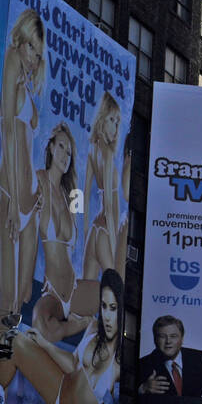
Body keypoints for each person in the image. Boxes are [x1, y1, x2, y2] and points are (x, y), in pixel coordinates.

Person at [5, 269, 123, 404]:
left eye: (113, 308)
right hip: (60, 390)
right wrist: (44, 344)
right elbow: (73, 364)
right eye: (104, 306)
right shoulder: (94, 328)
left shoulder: (119, 363)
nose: (107, 316)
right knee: (14, 340)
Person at [0, 9, 44, 332]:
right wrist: (14, 200)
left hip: (30, 200)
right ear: (20, 40)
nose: (32, 59)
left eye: (38, 55)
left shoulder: (26, 84)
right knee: (6, 299)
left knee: (22, 298)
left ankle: (0, 371)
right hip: (10, 191)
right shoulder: (10, 58)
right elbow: (11, 134)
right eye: (30, 49)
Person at [31, 123, 94, 342]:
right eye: (61, 147)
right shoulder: (38, 179)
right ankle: (78, 324)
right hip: (53, 294)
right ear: (50, 147)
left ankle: (82, 322)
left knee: (114, 293)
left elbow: (81, 232)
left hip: (75, 289)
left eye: (70, 152)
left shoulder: (72, 195)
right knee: (41, 326)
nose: (65, 155)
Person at [81, 93, 127, 282]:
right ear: (101, 119)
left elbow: (83, 195)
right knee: (114, 290)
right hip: (106, 232)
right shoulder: (107, 154)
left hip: (94, 229)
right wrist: (114, 247)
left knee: (88, 300)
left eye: (118, 122)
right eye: (111, 120)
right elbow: (109, 204)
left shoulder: (93, 149)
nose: (116, 127)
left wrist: (85, 233)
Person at [137, 315, 202, 400]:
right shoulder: (143, 364)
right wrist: (143, 389)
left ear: (182, 339)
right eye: (162, 336)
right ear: (155, 339)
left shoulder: (199, 358)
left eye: (173, 336)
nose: (168, 341)